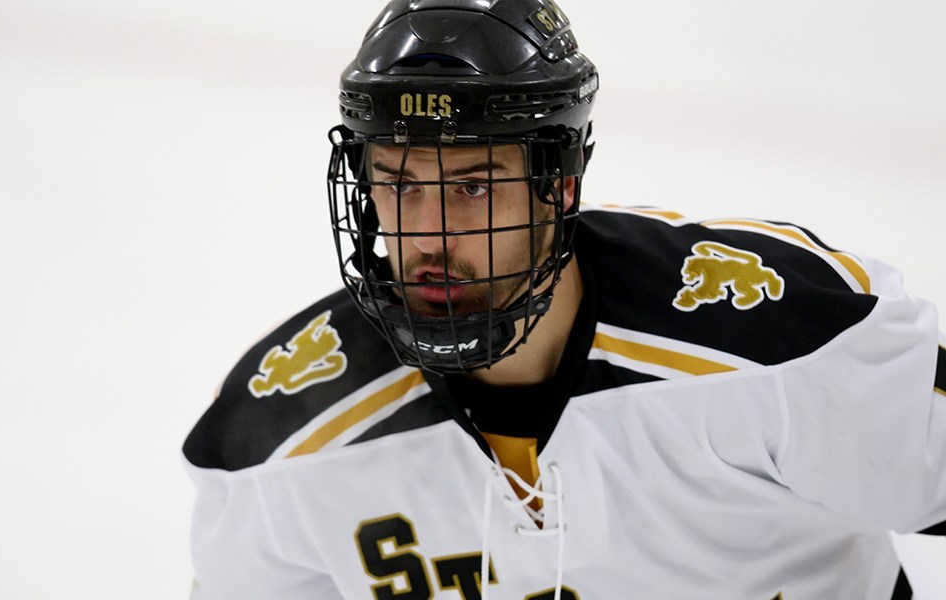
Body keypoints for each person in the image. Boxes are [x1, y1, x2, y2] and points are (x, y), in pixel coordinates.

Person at [182, 0, 946, 598]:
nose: (426, 234)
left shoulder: (783, 343)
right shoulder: (273, 446)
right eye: (398, 183)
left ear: (561, 182)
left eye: (474, 185)